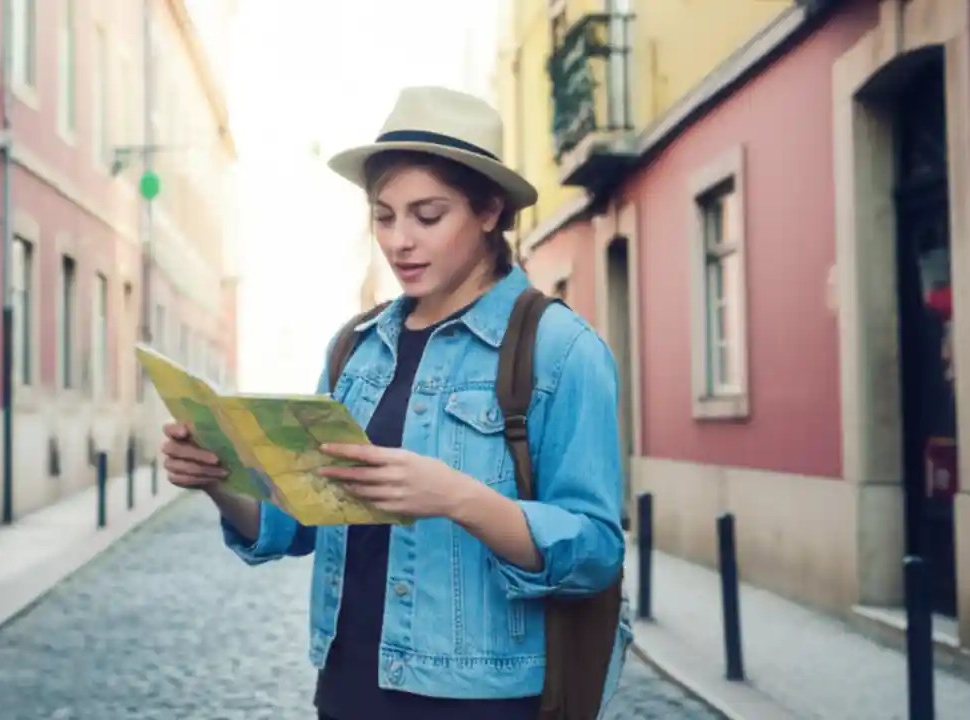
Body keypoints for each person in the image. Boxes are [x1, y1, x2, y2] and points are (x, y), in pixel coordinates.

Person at [160, 86, 628, 719]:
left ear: (489, 210)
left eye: (427, 216)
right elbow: (293, 523)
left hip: (480, 705)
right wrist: (218, 479)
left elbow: (595, 553)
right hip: (346, 691)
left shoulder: (561, 350)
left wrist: (458, 498)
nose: (399, 241)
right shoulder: (355, 349)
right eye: (384, 217)